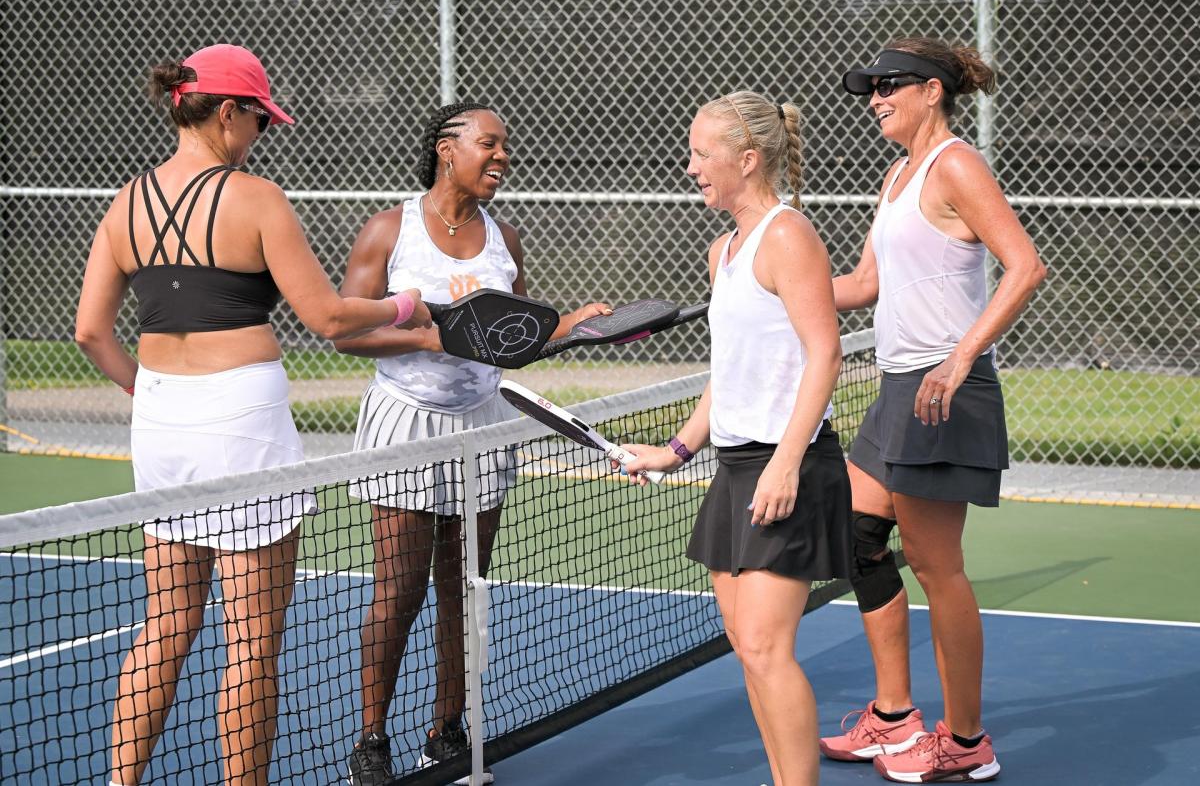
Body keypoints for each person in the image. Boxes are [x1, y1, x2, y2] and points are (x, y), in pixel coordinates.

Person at [73, 43, 431, 786]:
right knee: (251, 642)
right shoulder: (256, 197)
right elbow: (330, 319)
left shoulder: (125, 201)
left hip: (163, 421)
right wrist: (406, 303)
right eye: (260, 120)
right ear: (229, 113)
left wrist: (152, 395)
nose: (261, 135)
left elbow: (90, 333)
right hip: (241, 415)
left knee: (165, 625)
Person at [334, 102, 609, 786]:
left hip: (483, 423)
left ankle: (447, 728)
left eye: (504, 146)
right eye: (489, 144)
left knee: (466, 586)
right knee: (398, 589)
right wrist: (433, 335)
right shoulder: (388, 231)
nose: (502, 156)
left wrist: (573, 325)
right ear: (445, 150)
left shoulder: (503, 239)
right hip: (405, 418)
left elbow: (514, 342)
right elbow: (343, 331)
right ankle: (372, 739)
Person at [817, 38, 1046, 783]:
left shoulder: (956, 165)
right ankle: (892, 719)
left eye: (890, 86)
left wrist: (958, 357)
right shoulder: (896, 175)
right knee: (856, 538)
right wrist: (768, 283)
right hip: (896, 390)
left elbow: (1025, 266)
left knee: (936, 566)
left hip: (946, 388)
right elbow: (861, 283)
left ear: (932, 92)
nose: (877, 97)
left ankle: (967, 740)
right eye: (872, 88)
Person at [623, 91, 852, 786]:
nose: (690, 165)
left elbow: (826, 354)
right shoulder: (722, 248)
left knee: (765, 645)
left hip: (791, 468)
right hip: (735, 469)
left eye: (701, 153)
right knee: (747, 648)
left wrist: (785, 464)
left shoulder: (789, 236)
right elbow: (727, 374)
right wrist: (678, 449)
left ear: (746, 160)